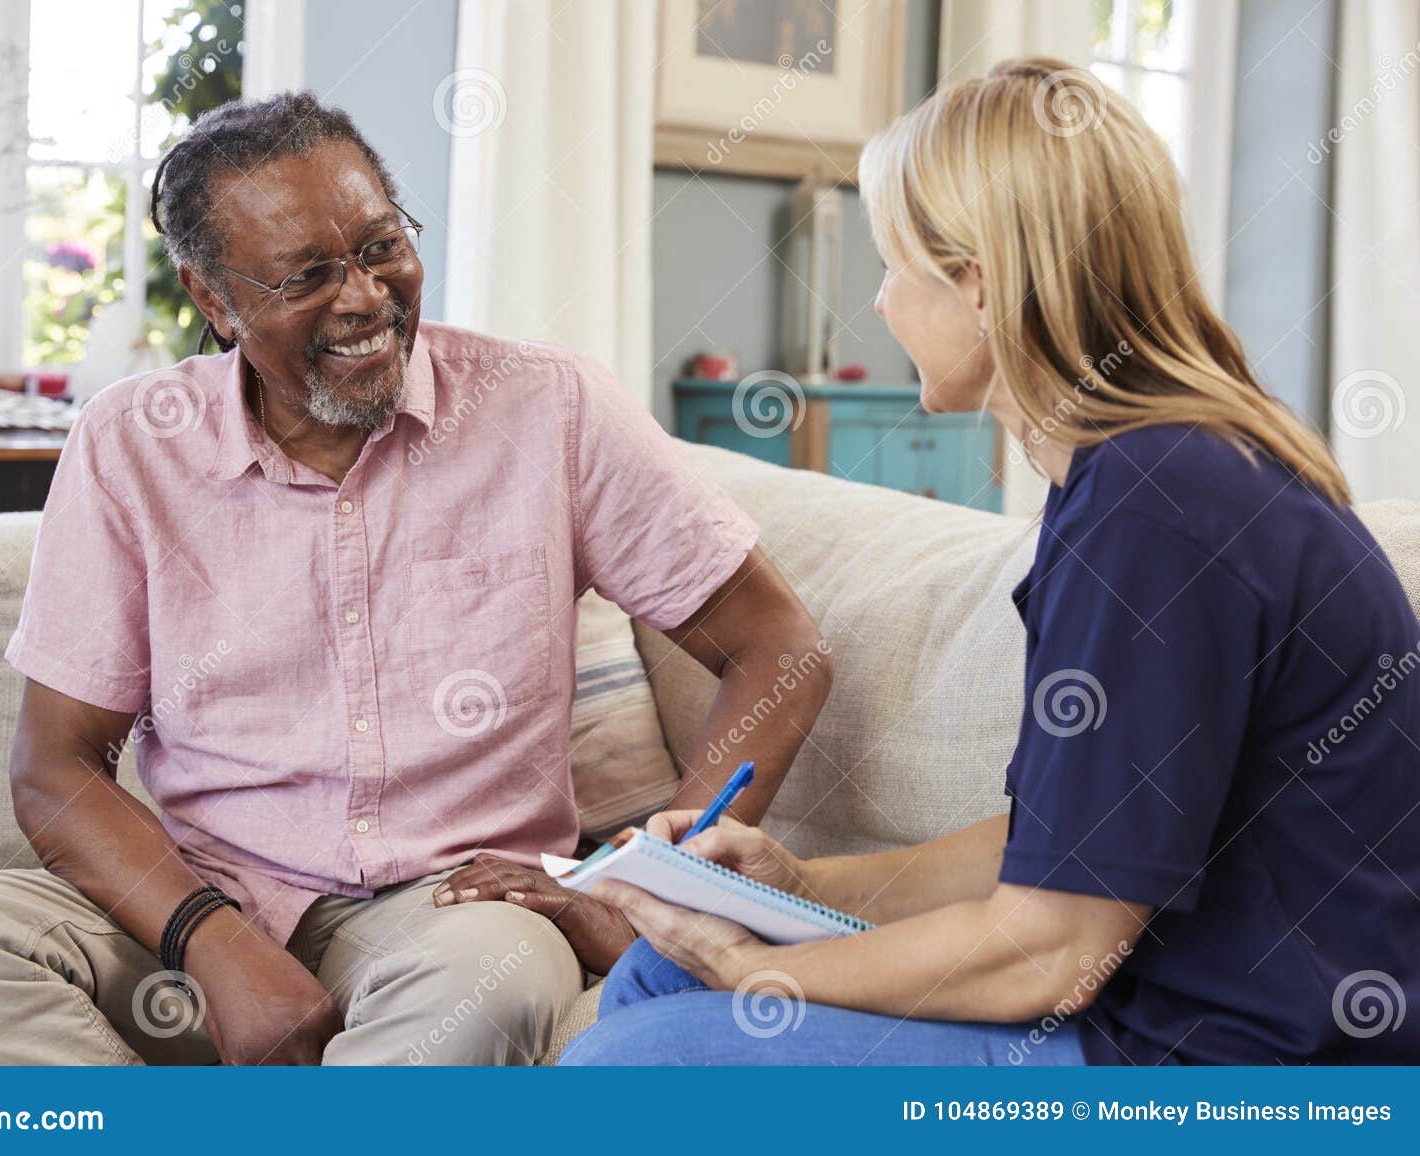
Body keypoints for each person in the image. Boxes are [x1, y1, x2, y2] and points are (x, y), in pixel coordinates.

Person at [0, 92, 831, 1066]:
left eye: (380, 247)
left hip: (452, 908)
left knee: (487, 985)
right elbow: (56, 765)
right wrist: (213, 940)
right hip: (203, 896)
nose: (367, 297)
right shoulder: (131, 443)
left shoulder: (550, 407)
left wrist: (647, 877)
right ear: (213, 299)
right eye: (307, 275)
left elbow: (777, 646)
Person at [560, 58, 1420, 1066]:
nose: (878, 305)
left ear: (980, 282)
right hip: (1153, 1012)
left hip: (1232, 1067)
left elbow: (1048, 956)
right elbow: (1056, 846)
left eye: (893, 265)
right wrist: (797, 886)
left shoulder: (1157, 507)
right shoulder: (1139, 472)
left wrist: (754, 969)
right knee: (656, 973)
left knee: (632, 1060)